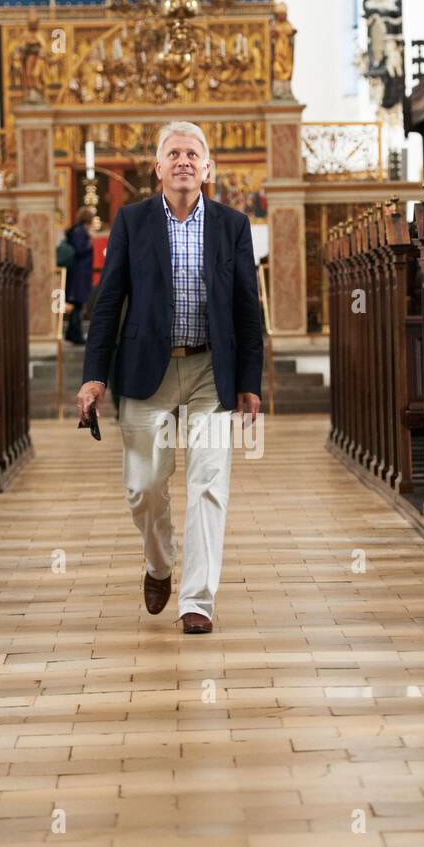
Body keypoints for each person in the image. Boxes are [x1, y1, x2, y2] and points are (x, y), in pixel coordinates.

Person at [76, 121, 263, 634]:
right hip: (145, 371)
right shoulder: (132, 222)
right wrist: (94, 376)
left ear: (207, 168)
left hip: (210, 370)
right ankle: (159, 563)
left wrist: (250, 381)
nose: (183, 161)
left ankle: (197, 600)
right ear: (157, 168)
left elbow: (248, 308)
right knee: (144, 486)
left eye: (193, 153)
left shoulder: (232, 225)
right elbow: (109, 301)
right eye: (173, 153)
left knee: (208, 483)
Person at [64, 206, 95, 345]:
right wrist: (89, 243)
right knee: (77, 304)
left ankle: (72, 333)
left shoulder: (78, 231)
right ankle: (75, 335)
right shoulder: (79, 232)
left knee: (77, 305)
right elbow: (80, 249)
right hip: (79, 275)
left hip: (78, 274)